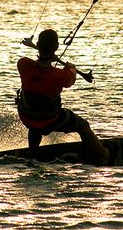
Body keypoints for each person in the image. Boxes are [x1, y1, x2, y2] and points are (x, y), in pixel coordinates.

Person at [16, 29, 110, 164]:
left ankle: (33, 154)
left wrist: (47, 57)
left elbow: (38, 68)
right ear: (56, 47)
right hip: (50, 119)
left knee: (35, 124)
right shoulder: (61, 76)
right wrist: (70, 66)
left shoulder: (23, 64)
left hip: (27, 117)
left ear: (37, 44)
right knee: (83, 125)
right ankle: (104, 154)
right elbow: (71, 77)